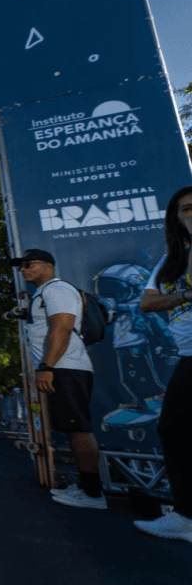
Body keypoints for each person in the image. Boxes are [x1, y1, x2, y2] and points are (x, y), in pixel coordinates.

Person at [13, 249, 105, 509]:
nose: (23, 269)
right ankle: (86, 487)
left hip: (65, 367)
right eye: (21, 266)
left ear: (48, 266)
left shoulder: (57, 289)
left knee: (79, 429)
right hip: (60, 367)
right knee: (72, 429)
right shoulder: (44, 293)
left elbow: (62, 327)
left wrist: (47, 366)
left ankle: (93, 494)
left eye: (29, 264)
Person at [134, 185, 192, 542]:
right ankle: (185, 516)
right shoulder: (173, 260)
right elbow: (147, 303)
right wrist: (185, 294)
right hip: (188, 356)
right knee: (173, 429)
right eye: (186, 209)